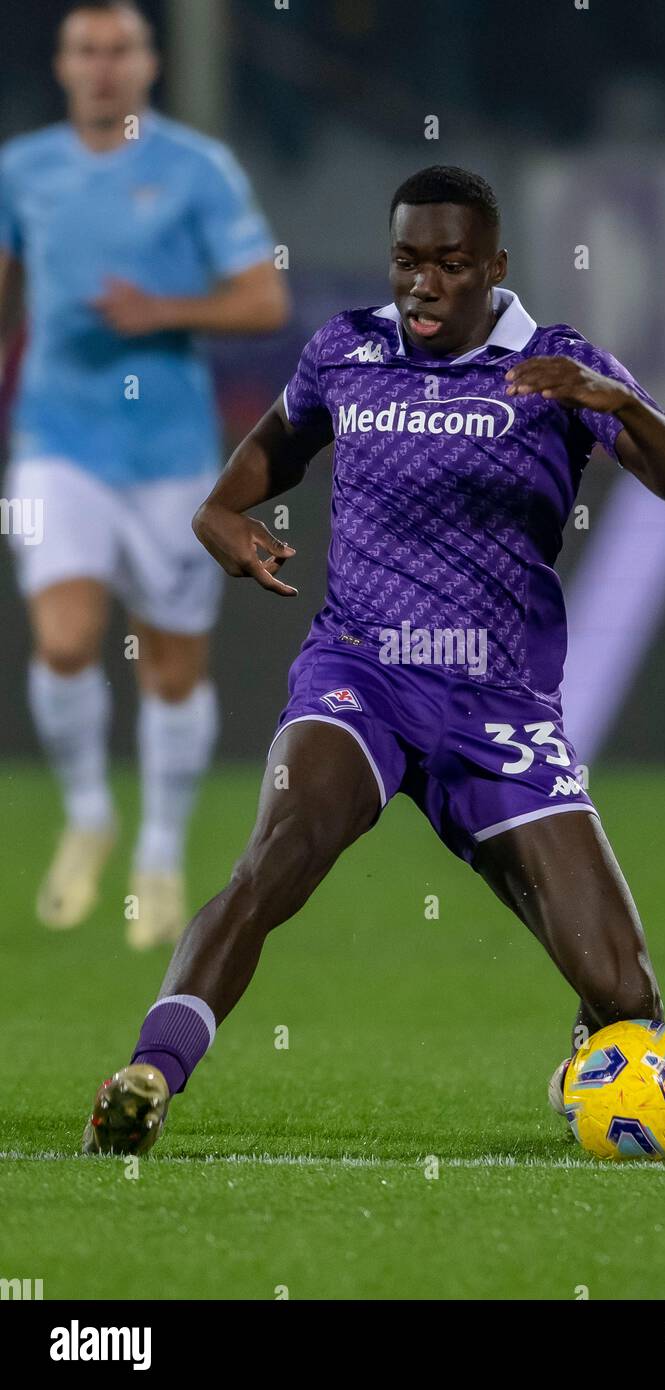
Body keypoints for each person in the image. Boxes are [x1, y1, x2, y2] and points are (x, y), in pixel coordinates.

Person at [82, 164, 665, 1155]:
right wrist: (222, 510)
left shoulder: (554, 366)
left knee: (619, 984)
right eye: (406, 260)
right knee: (281, 849)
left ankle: (615, 1073)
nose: (421, 284)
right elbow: (280, 439)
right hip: (362, 673)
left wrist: (624, 406)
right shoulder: (346, 349)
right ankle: (146, 1074)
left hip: (498, 704)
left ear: (494, 266)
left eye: (448, 264)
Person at [0, 1, 288, 947]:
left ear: (149, 63)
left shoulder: (196, 168)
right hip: (55, 443)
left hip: (168, 455)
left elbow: (263, 299)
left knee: (170, 665)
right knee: (68, 636)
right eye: (87, 49)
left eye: (120, 48)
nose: (104, 66)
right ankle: (90, 812)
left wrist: (160, 310)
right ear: (63, 64)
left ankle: (160, 852)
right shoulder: (22, 170)